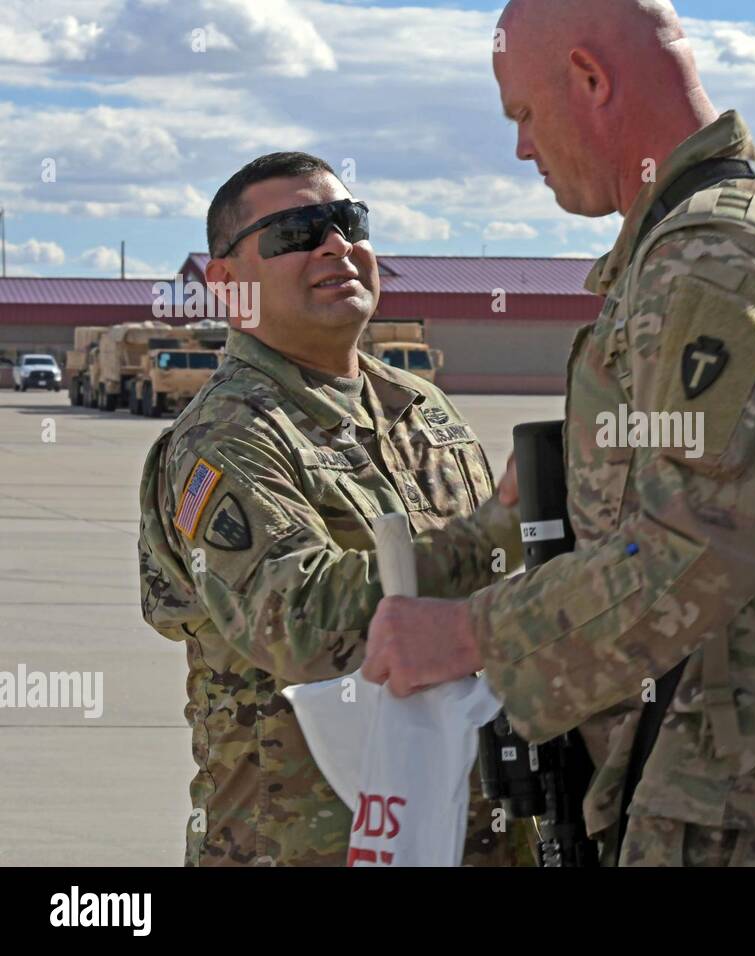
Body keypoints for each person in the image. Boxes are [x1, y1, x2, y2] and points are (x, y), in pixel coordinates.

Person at [364, 0, 755, 866]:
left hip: (740, 806)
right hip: (744, 774)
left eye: (525, 115)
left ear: (591, 78)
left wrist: (470, 636)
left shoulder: (711, 254)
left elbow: (707, 539)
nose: (523, 149)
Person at [137, 151, 526, 866]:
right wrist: (494, 533)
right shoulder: (228, 437)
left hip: (452, 829)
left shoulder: (422, 410)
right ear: (227, 285)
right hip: (304, 841)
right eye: (296, 232)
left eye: (349, 222)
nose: (336, 246)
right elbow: (299, 624)